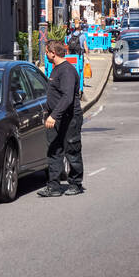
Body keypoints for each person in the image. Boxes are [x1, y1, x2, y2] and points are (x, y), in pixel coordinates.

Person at [41, 39, 84, 196]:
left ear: (53, 53)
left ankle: (76, 184)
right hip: (56, 118)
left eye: (47, 52)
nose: (46, 55)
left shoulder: (66, 71)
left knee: (72, 150)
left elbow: (67, 97)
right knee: (54, 150)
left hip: (69, 117)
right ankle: (54, 187)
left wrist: (54, 115)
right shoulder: (56, 69)